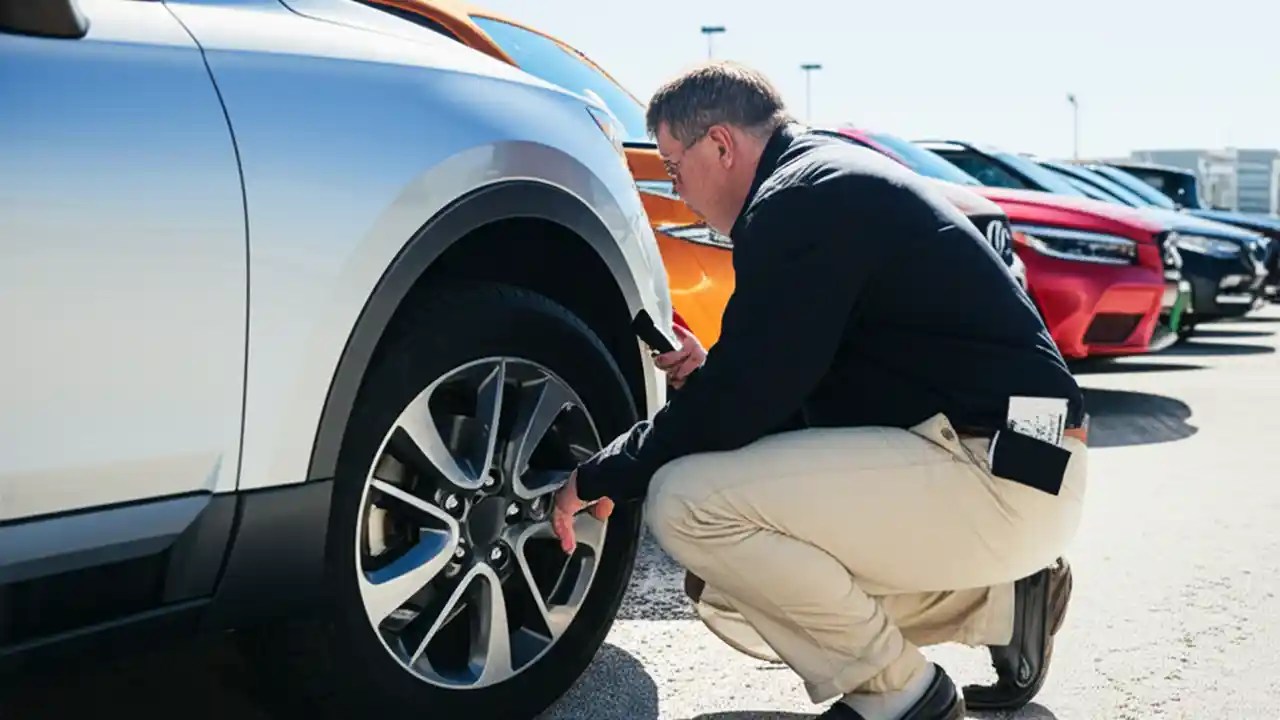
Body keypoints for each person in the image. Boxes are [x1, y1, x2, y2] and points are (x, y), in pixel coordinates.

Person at [550, 61, 1088, 720]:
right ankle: (1006, 603)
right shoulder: (825, 179)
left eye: (672, 165)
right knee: (726, 586)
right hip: (1031, 456)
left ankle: (902, 696)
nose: (676, 189)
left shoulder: (796, 202)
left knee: (686, 504)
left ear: (721, 145)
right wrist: (720, 373)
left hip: (1002, 468)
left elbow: (747, 399)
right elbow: (799, 375)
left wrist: (610, 470)